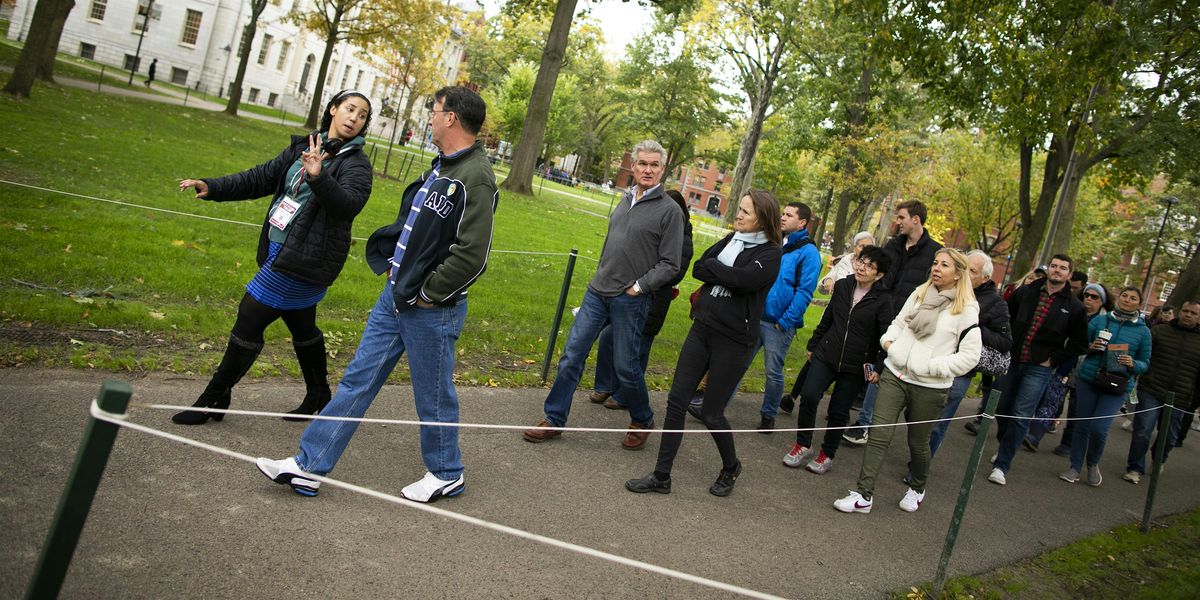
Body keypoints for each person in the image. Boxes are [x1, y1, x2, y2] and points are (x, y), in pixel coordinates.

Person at [255, 86, 497, 502]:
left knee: (433, 395)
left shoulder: (475, 177)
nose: (430, 118)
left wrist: (428, 293)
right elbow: (415, 224)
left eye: (435, 111)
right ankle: (309, 466)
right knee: (357, 380)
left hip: (430, 308)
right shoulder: (442, 165)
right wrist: (393, 262)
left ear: (451, 118)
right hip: (396, 296)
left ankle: (447, 472)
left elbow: (473, 255)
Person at [172, 89, 374, 426]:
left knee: (250, 314)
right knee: (301, 321)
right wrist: (214, 186)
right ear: (333, 109)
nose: (354, 118)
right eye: (350, 109)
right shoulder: (304, 146)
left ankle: (214, 397)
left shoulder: (356, 164)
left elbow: (347, 206)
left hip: (305, 258)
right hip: (279, 249)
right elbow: (261, 177)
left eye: (362, 115)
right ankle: (318, 395)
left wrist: (319, 176)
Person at [522, 140, 684, 450]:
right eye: (642, 163)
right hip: (597, 293)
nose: (647, 169)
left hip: (630, 300)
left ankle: (642, 418)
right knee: (572, 356)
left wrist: (639, 287)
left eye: (654, 165)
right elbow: (613, 245)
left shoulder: (670, 211)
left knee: (625, 367)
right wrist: (600, 276)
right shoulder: (624, 199)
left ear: (662, 169)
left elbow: (671, 264)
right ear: (633, 166)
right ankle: (554, 419)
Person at [624, 191, 782, 497]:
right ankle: (661, 476)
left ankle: (731, 466)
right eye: (739, 209)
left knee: (711, 413)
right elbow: (699, 267)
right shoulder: (732, 239)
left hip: (734, 341)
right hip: (702, 329)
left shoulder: (771, 254)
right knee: (676, 402)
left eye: (746, 212)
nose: (738, 215)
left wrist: (719, 271)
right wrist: (727, 274)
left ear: (763, 219)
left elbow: (743, 281)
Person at [834, 248, 981, 514]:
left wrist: (934, 367)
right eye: (935, 263)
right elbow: (898, 323)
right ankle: (863, 495)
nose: (936, 268)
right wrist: (889, 344)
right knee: (879, 434)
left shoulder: (967, 309)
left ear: (958, 274)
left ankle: (917, 487)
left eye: (944, 265)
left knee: (918, 442)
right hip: (894, 374)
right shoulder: (919, 293)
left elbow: (970, 356)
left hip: (929, 386)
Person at [784, 245, 893, 474]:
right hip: (827, 353)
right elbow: (829, 317)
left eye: (870, 266)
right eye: (861, 261)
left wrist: (878, 366)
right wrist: (814, 344)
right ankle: (803, 444)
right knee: (809, 396)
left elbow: (885, 336)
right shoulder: (843, 285)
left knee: (838, 410)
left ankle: (827, 454)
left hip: (856, 366)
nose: (862, 267)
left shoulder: (883, 300)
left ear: (879, 274)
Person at [843, 200, 943, 445]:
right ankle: (849, 407)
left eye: (901, 218)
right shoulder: (892, 246)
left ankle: (865, 423)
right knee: (869, 362)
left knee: (884, 368)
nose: (897, 222)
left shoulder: (934, 253)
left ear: (915, 220)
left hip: (906, 324)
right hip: (879, 315)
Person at [987, 254, 1088, 485]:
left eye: (1063, 268)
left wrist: (1053, 360)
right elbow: (1005, 317)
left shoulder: (1074, 307)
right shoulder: (1027, 291)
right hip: (1012, 360)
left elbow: (1080, 343)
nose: (1057, 270)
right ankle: (1005, 444)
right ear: (1048, 268)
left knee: (1022, 415)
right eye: (1054, 266)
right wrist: (1004, 343)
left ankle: (1002, 465)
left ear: (1069, 274)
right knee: (1002, 408)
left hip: (1039, 368)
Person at [590, 189, 694, 410]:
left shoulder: (683, 238)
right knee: (608, 337)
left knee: (637, 349)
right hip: (628, 293)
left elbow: (674, 271)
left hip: (654, 299)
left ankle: (625, 396)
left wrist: (646, 276)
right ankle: (606, 384)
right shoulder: (651, 225)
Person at [739, 201, 821, 432]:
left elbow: (804, 292)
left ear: (802, 222)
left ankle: (768, 415)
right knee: (738, 363)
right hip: (756, 316)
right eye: (782, 213)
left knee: (773, 372)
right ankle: (715, 405)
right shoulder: (775, 241)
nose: (782, 217)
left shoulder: (809, 253)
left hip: (778, 324)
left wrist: (785, 322)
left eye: (789, 215)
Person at [1058, 286, 1151, 486]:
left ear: (1139, 304)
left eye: (1132, 298)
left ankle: (1092, 464)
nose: (1127, 300)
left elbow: (1145, 363)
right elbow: (1080, 344)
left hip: (1117, 385)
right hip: (1089, 378)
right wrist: (1090, 347)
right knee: (1082, 425)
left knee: (1099, 428)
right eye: (1124, 296)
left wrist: (1133, 363)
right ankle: (1075, 467)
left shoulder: (1143, 331)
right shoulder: (1100, 321)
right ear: (1118, 298)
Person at [927, 250, 1012, 457]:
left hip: (959, 372)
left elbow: (1004, 342)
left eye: (972, 271)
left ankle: (920, 466)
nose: (965, 273)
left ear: (985, 278)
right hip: (929, 360)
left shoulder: (996, 304)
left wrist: (972, 327)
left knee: (937, 424)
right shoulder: (946, 287)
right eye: (964, 268)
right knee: (917, 418)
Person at [1123, 300, 1200, 483]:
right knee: (1143, 429)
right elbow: (1144, 355)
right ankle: (1135, 468)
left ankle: (1159, 459)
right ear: (1180, 312)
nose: (1188, 315)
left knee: (1170, 436)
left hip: (1181, 396)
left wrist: (1195, 398)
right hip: (1152, 389)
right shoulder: (1159, 331)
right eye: (1185, 311)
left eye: (1193, 313)